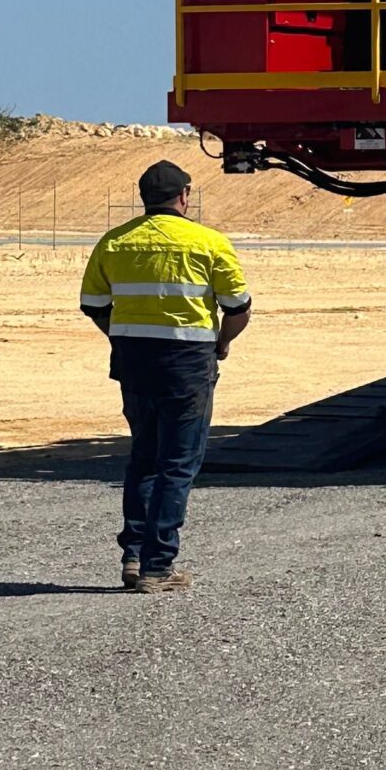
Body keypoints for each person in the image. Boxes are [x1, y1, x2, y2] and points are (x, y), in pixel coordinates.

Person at [79, 159, 252, 592]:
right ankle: (159, 565)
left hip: (134, 361)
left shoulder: (114, 242)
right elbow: (238, 307)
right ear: (185, 197)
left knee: (144, 456)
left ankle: (134, 557)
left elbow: (93, 304)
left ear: (144, 197)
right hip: (188, 363)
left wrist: (122, 337)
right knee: (178, 462)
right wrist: (221, 343)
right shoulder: (208, 243)